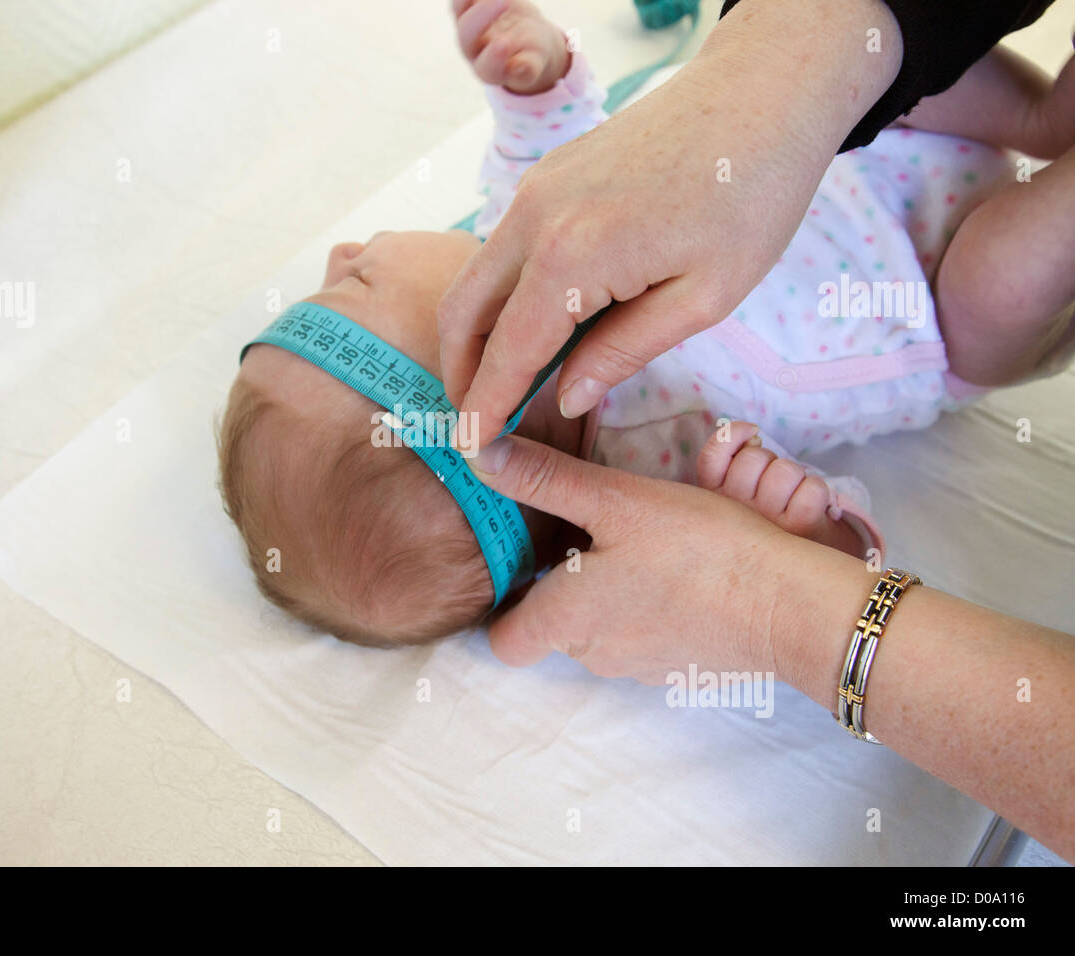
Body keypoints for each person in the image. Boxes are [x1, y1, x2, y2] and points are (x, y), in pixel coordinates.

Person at [439, 0, 1061, 452]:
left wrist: (535, 76)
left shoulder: (515, 234)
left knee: (855, 64)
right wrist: (811, 520)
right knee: (1001, 280)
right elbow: (779, 555)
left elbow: (553, 147)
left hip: (835, 143)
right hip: (936, 318)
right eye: (359, 285)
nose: (347, 252)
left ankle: (1043, 118)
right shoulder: (638, 467)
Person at [467, 427, 1075, 863]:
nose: (369, 247)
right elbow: (829, 520)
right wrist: (814, 542)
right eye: (367, 288)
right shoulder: (644, 475)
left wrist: (768, 592)